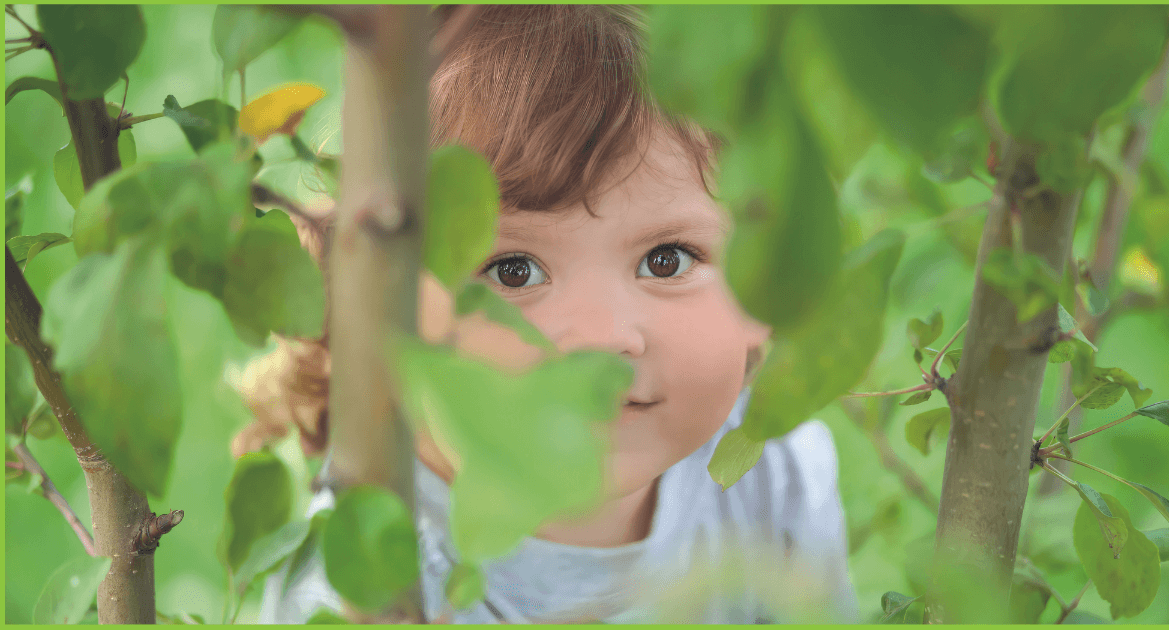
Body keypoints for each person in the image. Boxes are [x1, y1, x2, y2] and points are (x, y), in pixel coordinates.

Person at [240, 5, 857, 623]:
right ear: (377, 302)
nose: (600, 337)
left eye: (667, 260)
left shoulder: (773, 477)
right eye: (513, 272)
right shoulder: (362, 582)